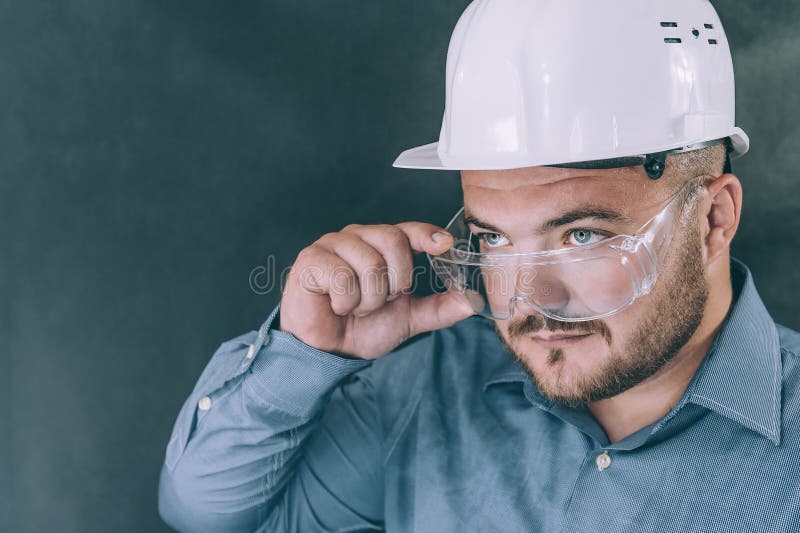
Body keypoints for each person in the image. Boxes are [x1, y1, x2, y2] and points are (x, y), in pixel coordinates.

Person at [158, 1, 800, 531]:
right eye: (492, 239)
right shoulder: (435, 386)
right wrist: (305, 355)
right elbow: (206, 515)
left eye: (580, 235)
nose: (528, 298)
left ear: (714, 217)